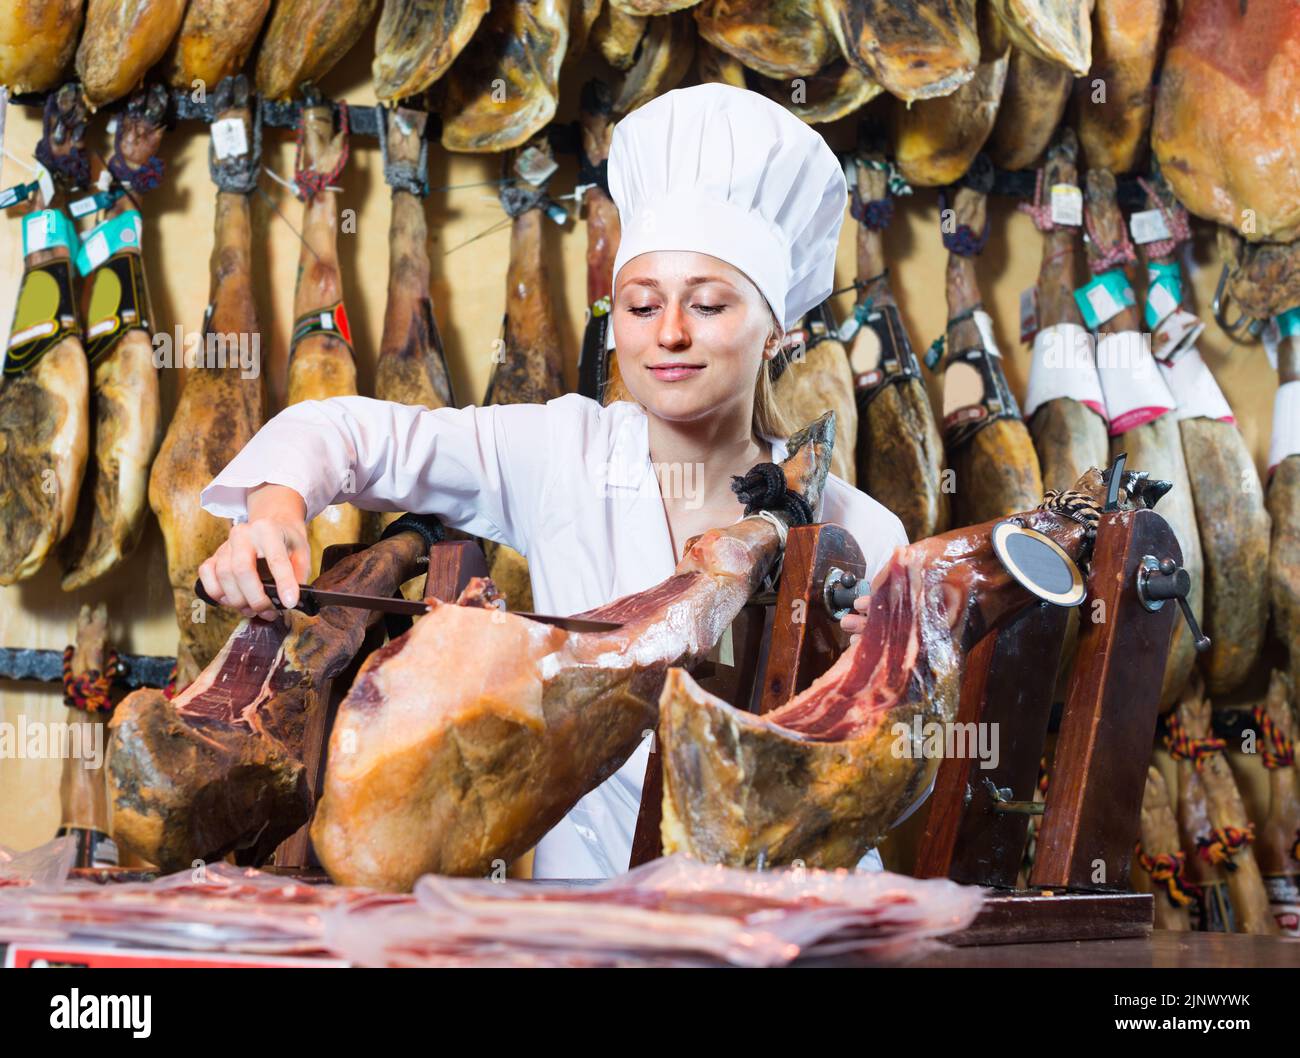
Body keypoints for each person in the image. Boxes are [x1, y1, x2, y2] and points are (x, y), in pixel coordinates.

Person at [197, 82, 918, 880]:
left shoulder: (864, 530)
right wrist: (274, 511)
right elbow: (344, 429)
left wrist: (886, 698)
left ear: (779, 330)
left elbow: (898, 788)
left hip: (802, 933)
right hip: (593, 925)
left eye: (709, 305)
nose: (670, 333)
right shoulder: (563, 452)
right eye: (642, 307)